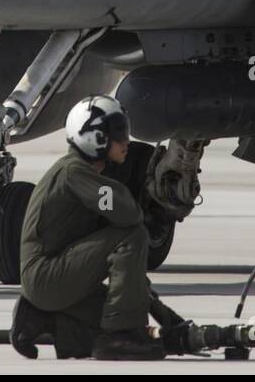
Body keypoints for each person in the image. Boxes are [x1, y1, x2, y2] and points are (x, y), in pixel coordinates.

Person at [9, 95, 172, 360]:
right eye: (118, 133)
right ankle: (120, 338)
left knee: (113, 314)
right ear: (94, 137)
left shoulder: (80, 172)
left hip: (47, 279)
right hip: (46, 277)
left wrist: (153, 305)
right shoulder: (75, 173)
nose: (126, 141)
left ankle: (40, 317)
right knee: (132, 236)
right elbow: (129, 216)